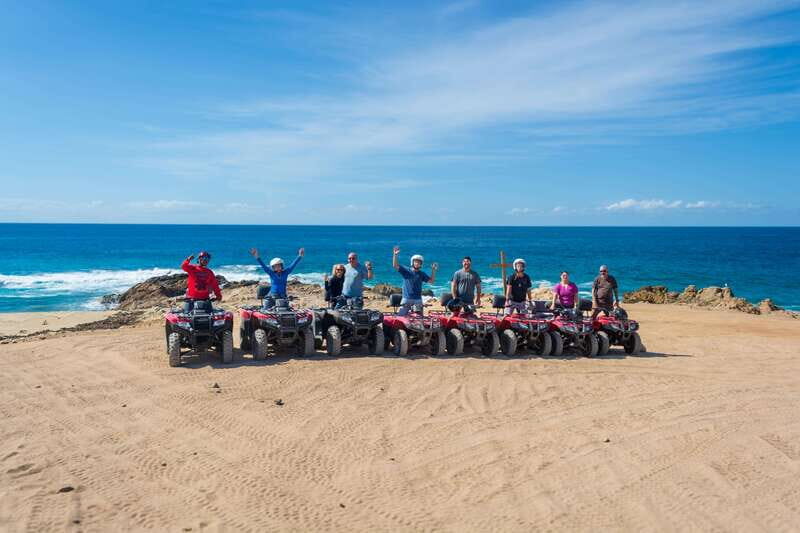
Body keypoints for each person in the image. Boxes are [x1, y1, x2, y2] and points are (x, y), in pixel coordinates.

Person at [392, 246, 438, 316]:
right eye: (415, 262)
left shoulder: (422, 274)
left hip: (417, 299)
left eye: (419, 262)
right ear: (412, 262)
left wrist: (433, 271)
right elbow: (395, 265)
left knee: (419, 318)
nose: (417, 263)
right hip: (406, 298)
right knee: (400, 316)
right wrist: (395, 255)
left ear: (421, 264)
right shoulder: (406, 270)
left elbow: (431, 281)